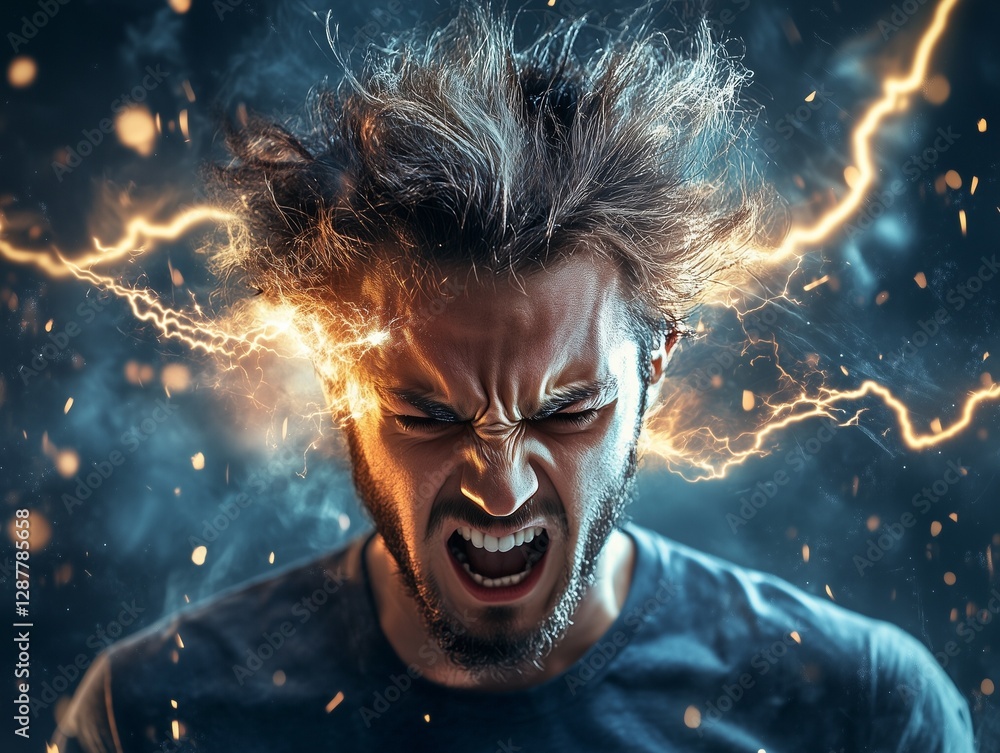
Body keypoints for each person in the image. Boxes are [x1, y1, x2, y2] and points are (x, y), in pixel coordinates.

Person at [52, 5, 973, 752]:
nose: (501, 487)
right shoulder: (153, 717)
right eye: (427, 415)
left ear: (657, 358)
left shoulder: (862, 713)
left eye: (568, 411)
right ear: (337, 378)